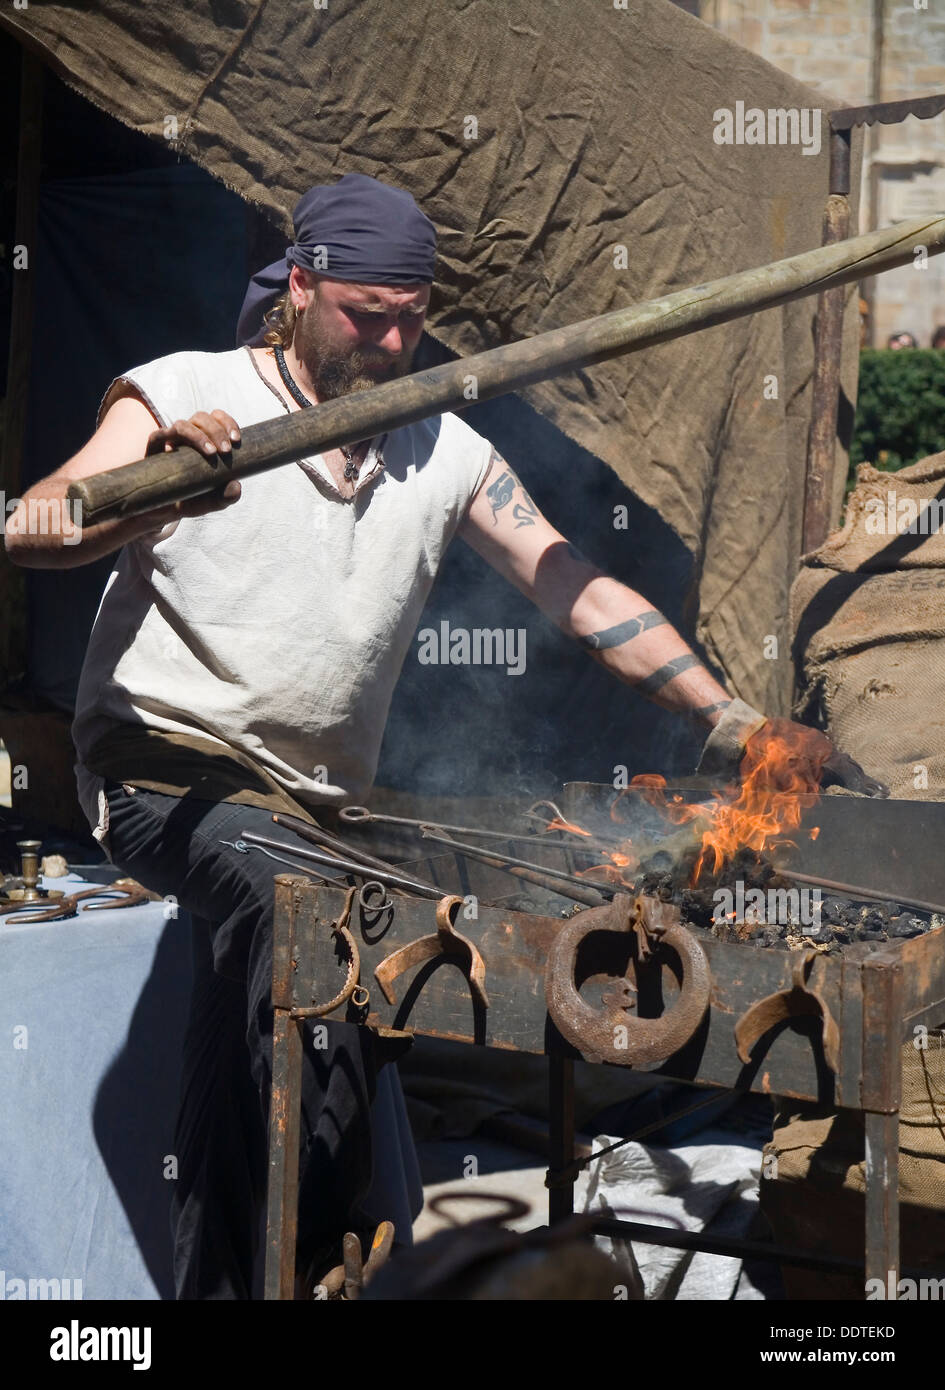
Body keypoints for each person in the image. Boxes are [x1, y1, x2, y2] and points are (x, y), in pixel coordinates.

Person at [3, 173, 886, 1299]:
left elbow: (577, 590)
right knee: (294, 908)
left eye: (412, 317)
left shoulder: (443, 447)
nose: (391, 340)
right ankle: (241, 1275)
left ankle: (338, 1257)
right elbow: (40, 523)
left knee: (378, 938)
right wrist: (159, 491)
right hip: (162, 772)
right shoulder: (185, 392)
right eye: (365, 314)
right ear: (301, 288)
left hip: (313, 805)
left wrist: (733, 720)